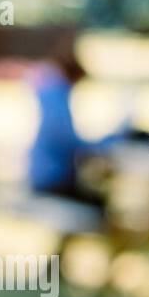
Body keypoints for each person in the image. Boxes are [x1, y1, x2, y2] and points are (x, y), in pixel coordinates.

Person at [27, 46, 128, 207]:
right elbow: (66, 141)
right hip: (51, 182)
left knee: (100, 192)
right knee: (103, 203)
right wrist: (107, 142)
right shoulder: (56, 98)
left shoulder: (51, 94)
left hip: (46, 178)